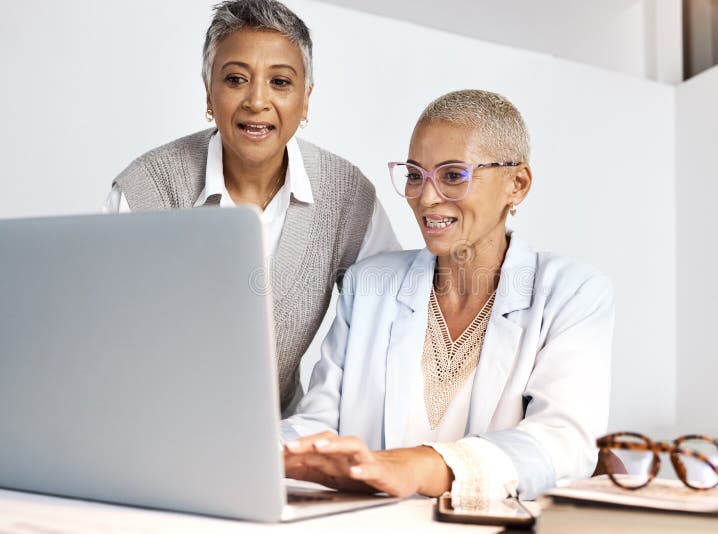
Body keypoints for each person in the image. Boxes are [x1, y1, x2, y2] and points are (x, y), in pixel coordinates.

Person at [281, 90, 614, 503]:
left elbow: (563, 442)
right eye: (415, 175)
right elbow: (318, 421)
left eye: (453, 175)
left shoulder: (572, 293)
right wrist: (270, 451)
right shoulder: (369, 285)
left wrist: (420, 466)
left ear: (518, 183)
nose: (426, 197)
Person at [102, 0, 399, 413]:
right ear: (209, 91)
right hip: (153, 424)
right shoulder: (147, 189)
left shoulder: (346, 195)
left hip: (281, 438)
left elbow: (389, 321)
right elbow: (108, 336)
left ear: (306, 99)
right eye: (236, 79)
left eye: (280, 82)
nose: (257, 101)